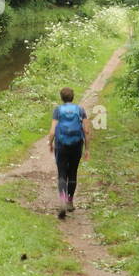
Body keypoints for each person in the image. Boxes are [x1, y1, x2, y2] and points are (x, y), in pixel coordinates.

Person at [47, 86, 90, 219]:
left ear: (61, 98)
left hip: (61, 146)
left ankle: (62, 200)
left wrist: (50, 143)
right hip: (76, 145)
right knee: (73, 173)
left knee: (62, 174)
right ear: (73, 97)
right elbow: (86, 131)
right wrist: (87, 149)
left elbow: (53, 131)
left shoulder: (58, 110)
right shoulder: (81, 110)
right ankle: (70, 201)